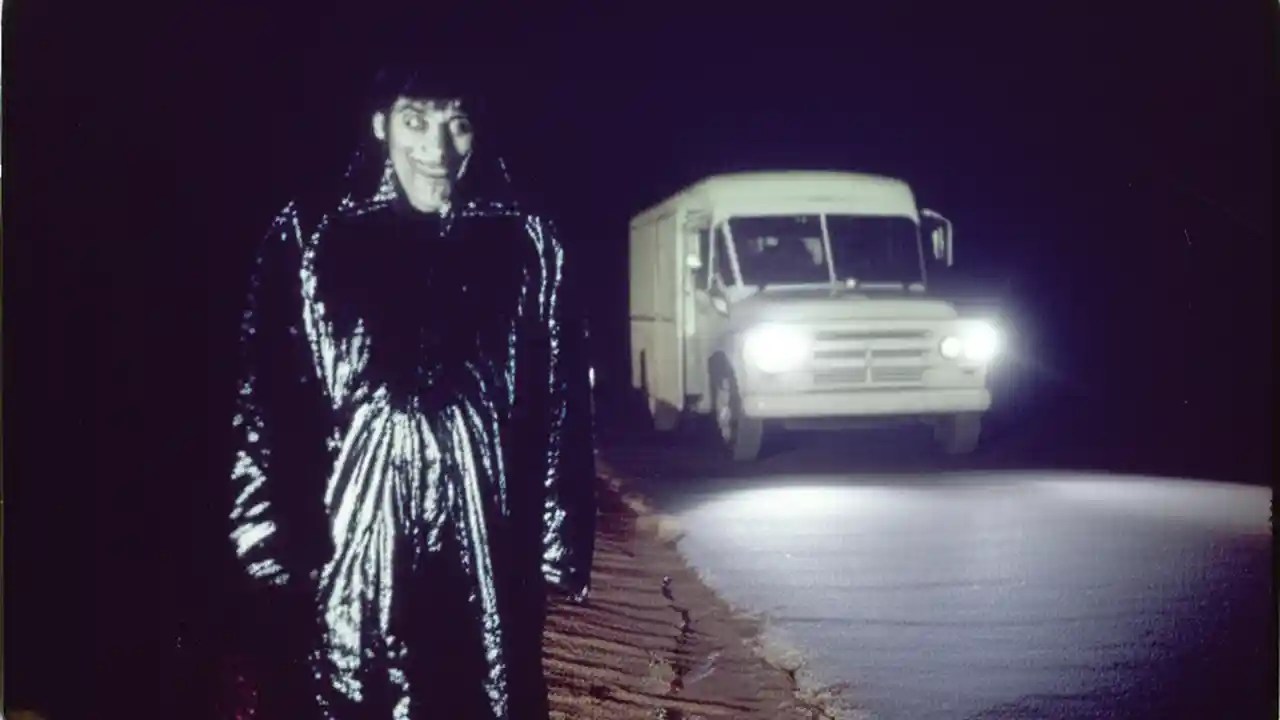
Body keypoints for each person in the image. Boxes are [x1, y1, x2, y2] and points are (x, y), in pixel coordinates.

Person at [227, 58, 596, 720]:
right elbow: (268, 401)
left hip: (486, 559)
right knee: (351, 697)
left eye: (456, 122)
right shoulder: (313, 235)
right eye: (415, 121)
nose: (436, 148)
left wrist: (557, 543)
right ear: (380, 125)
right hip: (353, 562)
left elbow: (561, 406)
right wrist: (268, 539)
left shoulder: (527, 240)